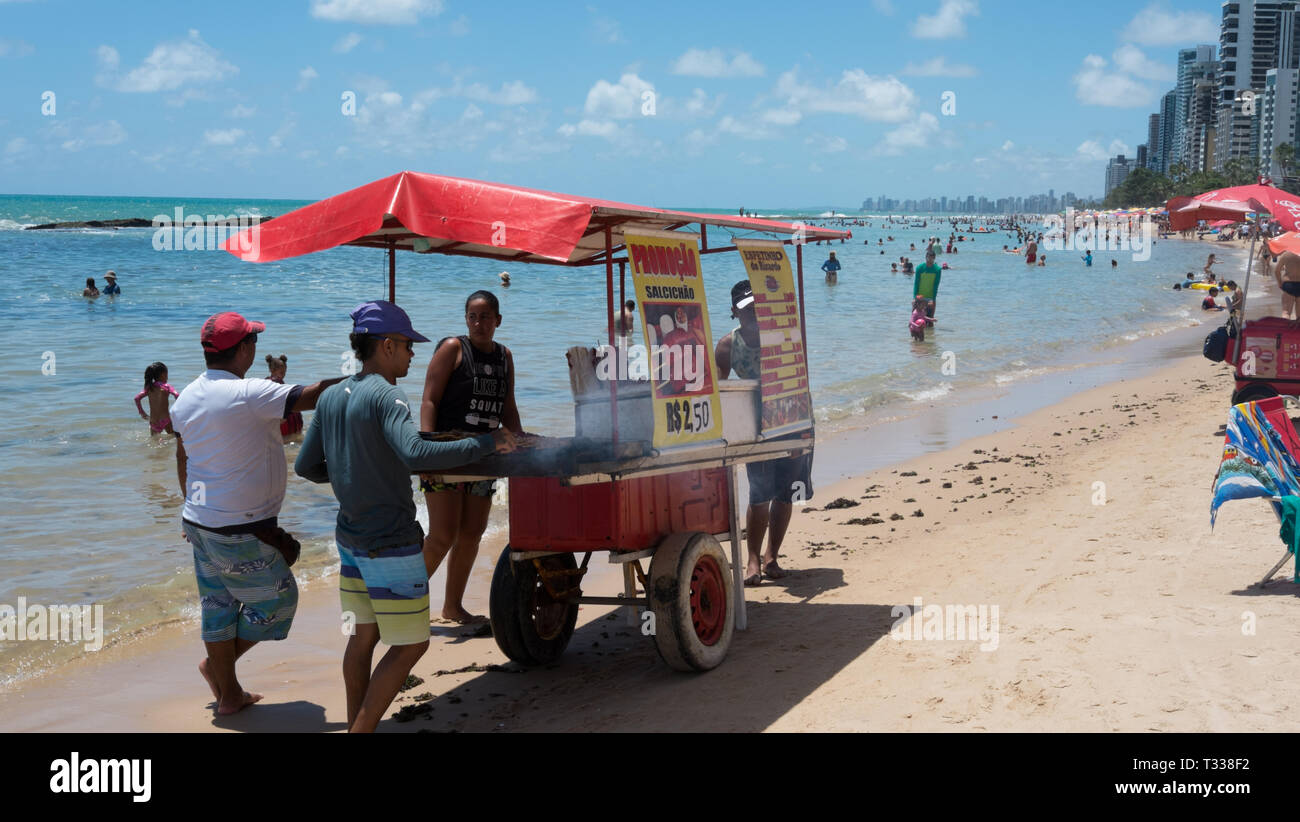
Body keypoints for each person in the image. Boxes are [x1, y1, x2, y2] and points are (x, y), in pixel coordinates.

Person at [296, 301, 514, 733]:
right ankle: (361, 729)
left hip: (350, 538)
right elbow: (415, 453)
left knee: (362, 639)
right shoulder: (387, 394)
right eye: (409, 346)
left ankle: (361, 721)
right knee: (412, 642)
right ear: (387, 345)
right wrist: (487, 445)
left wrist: (349, 473)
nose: (414, 354)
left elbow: (306, 467)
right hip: (391, 539)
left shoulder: (330, 396)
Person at [171, 311, 342, 716]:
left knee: (219, 606)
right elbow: (313, 396)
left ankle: (229, 694)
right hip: (241, 527)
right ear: (244, 349)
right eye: (253, 342)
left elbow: (183, 456)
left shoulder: (189, 396)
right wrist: (363, 379)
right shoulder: (248, 392)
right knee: (278, 601)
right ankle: (218, 669)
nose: (255, 348)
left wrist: (188, 503)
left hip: (200, 522)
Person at [419, 290, 523, 624]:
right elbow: (429, 401)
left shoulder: (504, 356)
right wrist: (427, 453)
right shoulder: (453, 348)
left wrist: (521, 446)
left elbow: (507, 407)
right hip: (446, 454)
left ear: (498, 321)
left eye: (486, 317)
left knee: (471, 534)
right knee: (441, 536)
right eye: (473, 317)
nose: (479, 323)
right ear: (466, 320)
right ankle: (400, 606)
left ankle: (452, 607)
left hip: (485, 457)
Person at [714, 281, 811, 584]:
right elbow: (722, 393)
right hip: (754, 426)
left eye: (756, 308)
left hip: (790, 418)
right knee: (759, 493)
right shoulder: (728, 346)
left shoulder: (780, 338)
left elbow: (798, 376)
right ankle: (752, 561)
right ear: (734, 312)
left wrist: (803, 430)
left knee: (785, 492)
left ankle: (772, 558)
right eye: (745, 310)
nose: (752, 314)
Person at [135, 361, 179, 436]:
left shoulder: (149, 388)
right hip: (165, 420)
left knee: (154, 441)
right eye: (166, 375)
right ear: (163, 375)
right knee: (173, 437)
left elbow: (137, 398)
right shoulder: (166, 386)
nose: (167, 377)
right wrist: (178, 411)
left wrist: (142, 413)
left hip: (153, 421)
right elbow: (177, 395)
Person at [266, 354, 304, 437]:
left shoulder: (273, 382)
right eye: (281, 372)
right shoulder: (273, 382)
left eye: (285, 372)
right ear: (272, 370)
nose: (283, 375)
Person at [913, 249, 942, 320]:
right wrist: (914, 298)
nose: (930, 259)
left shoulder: (937, 269)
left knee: (930, 320)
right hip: (919, 297)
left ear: (934, 258)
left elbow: (936, 285)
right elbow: (916, 283)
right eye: (928, 257)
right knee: (915, 319)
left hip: (930, 298)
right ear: (926, 257)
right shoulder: (919, 268)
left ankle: (930, 331)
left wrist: (933, 299)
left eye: (932, 257)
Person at [1276, 251, 1300, 319]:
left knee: (1286, 312)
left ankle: (1284, 329)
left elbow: (1277, 271)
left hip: (1289, 284)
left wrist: (1279, 283)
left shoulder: (1286, 254)